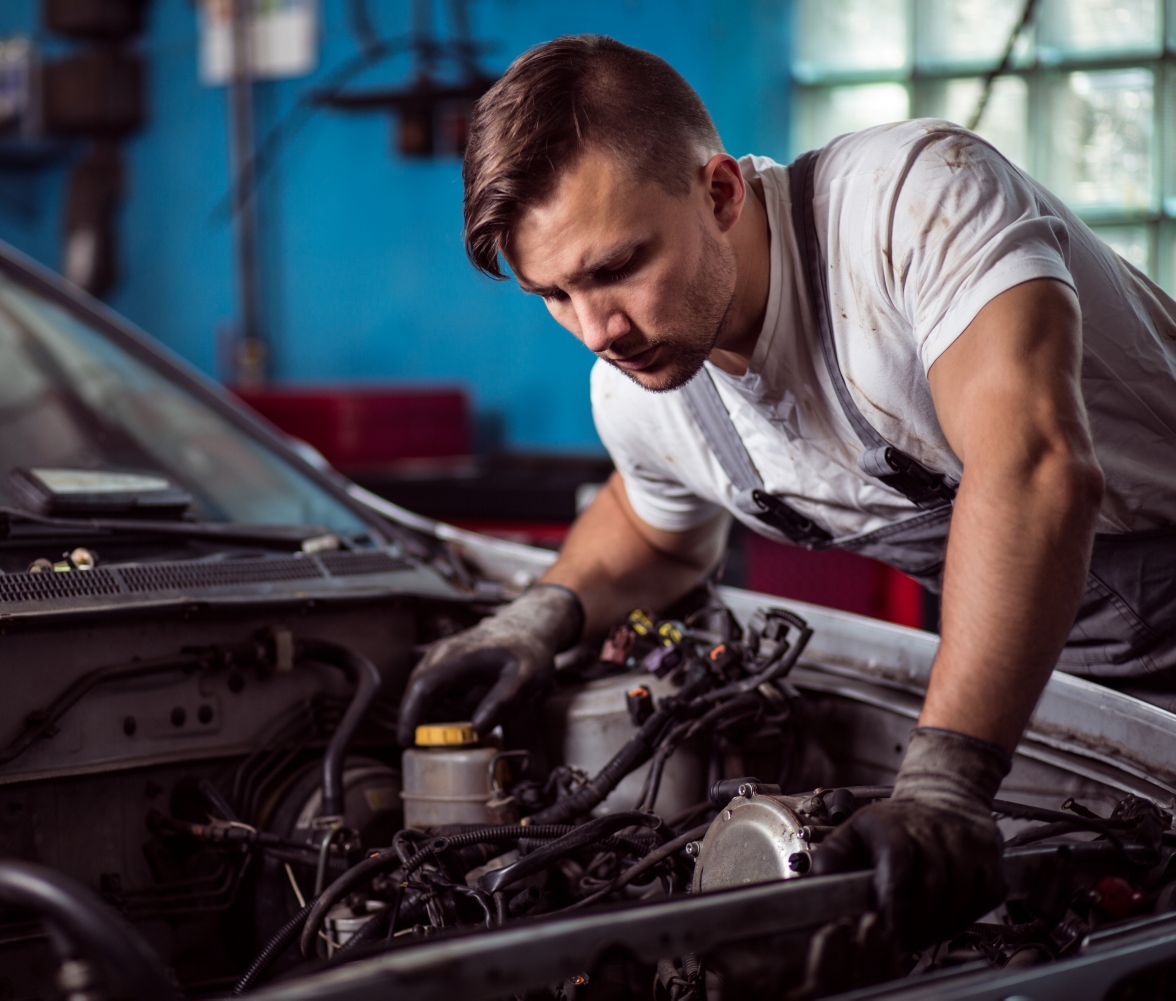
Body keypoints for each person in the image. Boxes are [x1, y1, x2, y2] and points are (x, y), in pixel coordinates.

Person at [396, 34, 1176, 948]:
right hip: (1057, 691)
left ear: (720, 191)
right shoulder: (641, 386)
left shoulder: (912, 205)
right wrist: (536, 619)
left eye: (615, 268)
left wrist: (945, 781)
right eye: (554, 294)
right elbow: (652, 531)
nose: (596, 329)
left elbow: (1035, 468)